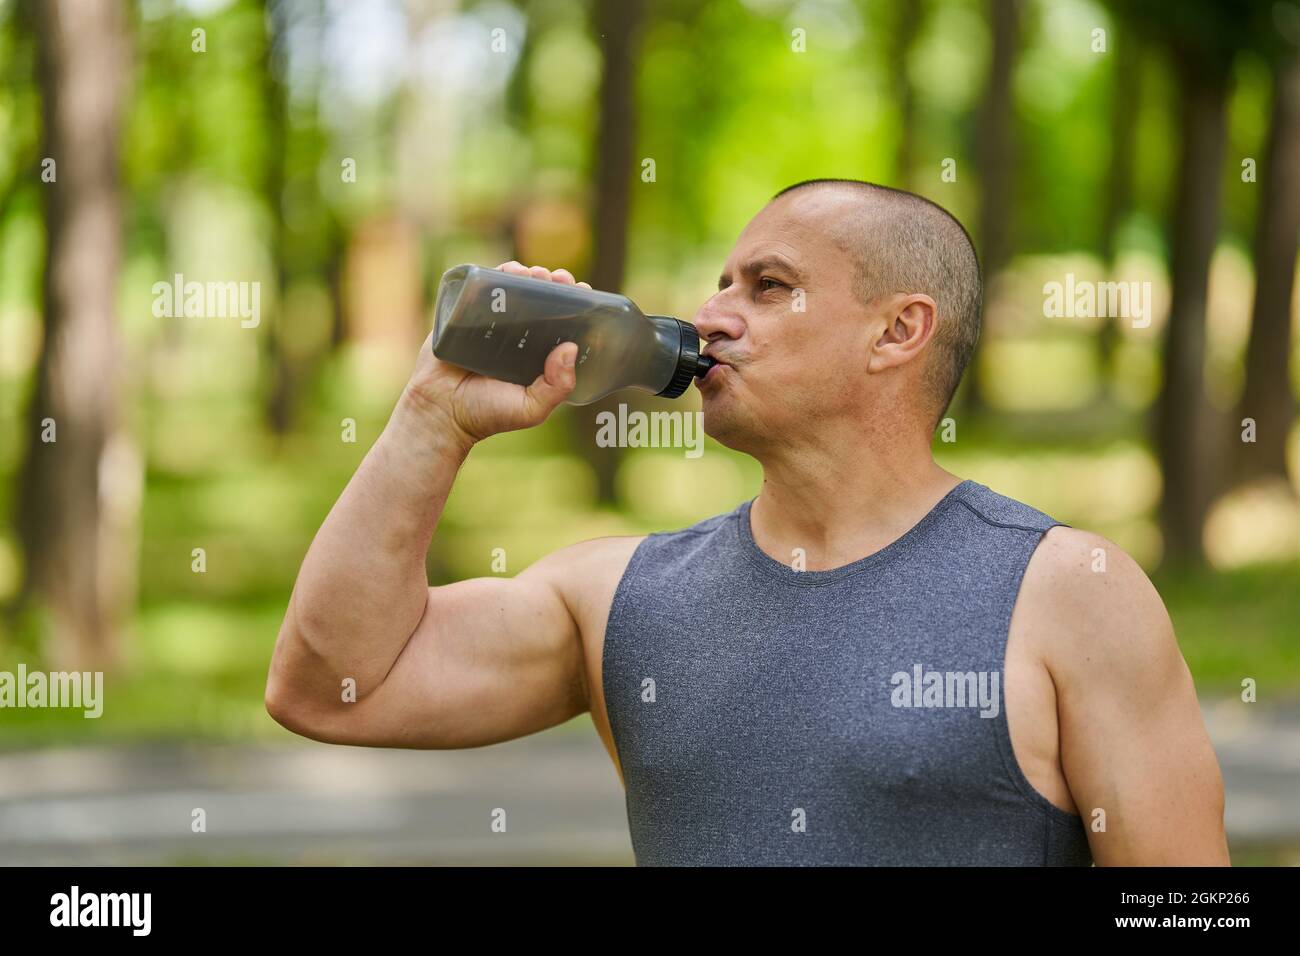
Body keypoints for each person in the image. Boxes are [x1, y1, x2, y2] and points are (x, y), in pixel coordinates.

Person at [265, 179, 1230, 866]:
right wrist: (433, 418)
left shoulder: (1069, 595)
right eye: (720, 285)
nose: (713, 316)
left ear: (898, 331)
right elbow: (332, 687)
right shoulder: (616, 598)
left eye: (767, 287)